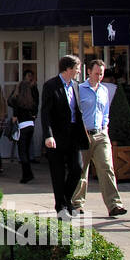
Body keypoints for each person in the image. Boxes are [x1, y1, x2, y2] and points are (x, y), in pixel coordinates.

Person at [70, 58, 127, 218]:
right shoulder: (79, 89)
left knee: (107, 168)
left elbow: (106, 112)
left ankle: (114, 204)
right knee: (82, 171)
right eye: (96, 73)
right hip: (84, 134)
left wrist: (105, 127)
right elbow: (73, 112)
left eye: (101, 74)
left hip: (101, 134)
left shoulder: (104, 90)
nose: (99, 76)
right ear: (89, 71)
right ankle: (77, 204)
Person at [41, 55, 89, 218]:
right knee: (58, 173)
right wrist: (48, 135)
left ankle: (65, 201)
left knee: (77, 168)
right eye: (76, 68)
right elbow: (45, 112)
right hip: (57, 136)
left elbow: (76, 110)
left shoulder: (76, 85)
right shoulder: (51, 85)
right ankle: (61, 208)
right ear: (68, 69)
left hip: (73, 135)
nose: (78, 71)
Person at [8, 71, 39, 183]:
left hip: (22, 126)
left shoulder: (17, 100)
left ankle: (26, 175)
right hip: (30, 125)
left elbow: (10, 103)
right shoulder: (31, 100)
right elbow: (35, 111)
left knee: (22, 152)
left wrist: (15, 91)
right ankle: (29, 173)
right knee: (26, 150)